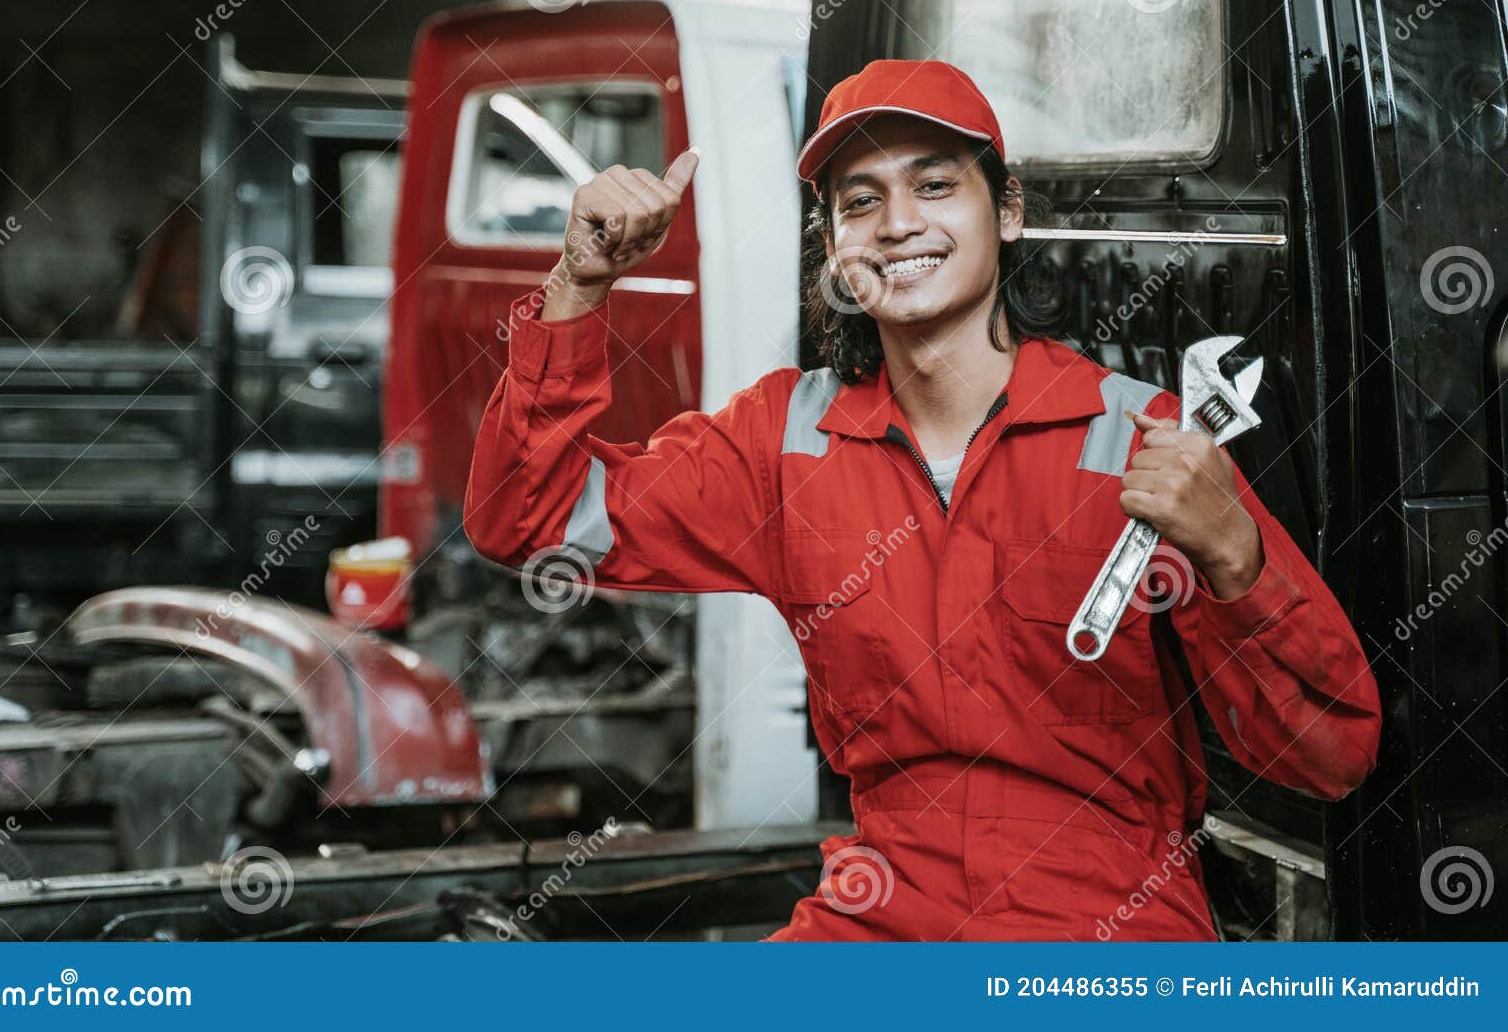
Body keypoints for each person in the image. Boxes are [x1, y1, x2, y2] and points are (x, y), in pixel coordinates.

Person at [463, 58, 1382, 940]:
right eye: (860, 201)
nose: (898, 223)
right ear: (835, 248)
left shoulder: (1142, 440)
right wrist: (579, 287)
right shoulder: (783, 442)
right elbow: (528, 520)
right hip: (883, 909)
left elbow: (1329, 754)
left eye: (935, 186)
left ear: (1008, 212)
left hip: (1108, 920)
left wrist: (1236, 560)